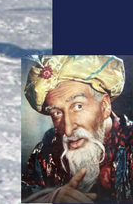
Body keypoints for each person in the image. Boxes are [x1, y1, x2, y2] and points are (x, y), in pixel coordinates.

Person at [22, 55, 133, 203]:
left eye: (78, 106)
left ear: (105, 106)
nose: (68, 130)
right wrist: (48, 200)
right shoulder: (46, 152)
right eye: (57, 113)